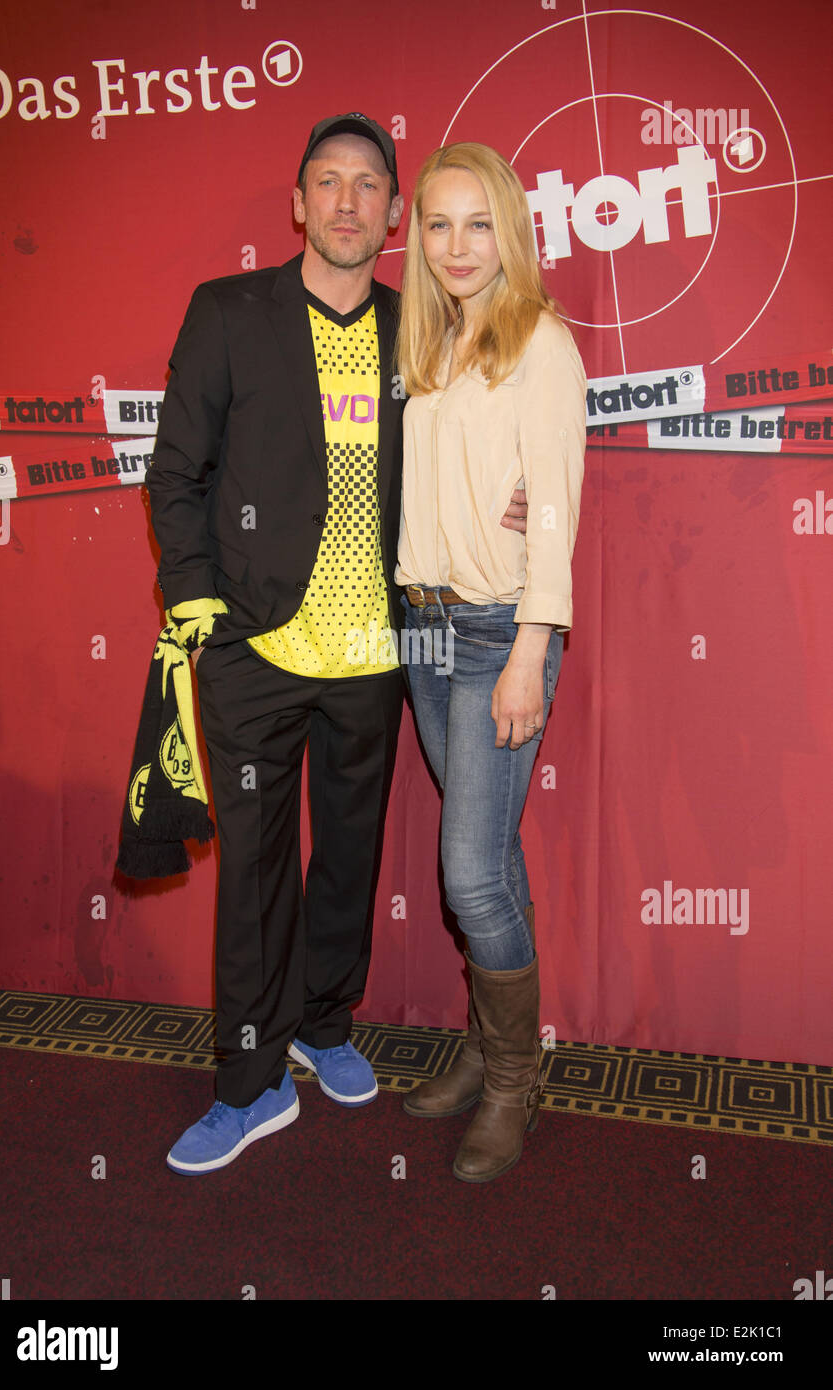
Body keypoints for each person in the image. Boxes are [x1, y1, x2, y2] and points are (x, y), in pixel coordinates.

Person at [146, 115, 528, 1175]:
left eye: (369, 186)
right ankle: (248, 1080)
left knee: (349, 857)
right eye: (329, 183)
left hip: (379, 652)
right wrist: (199, 613)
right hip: (255, 652)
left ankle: (321, 1023)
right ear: (299, 203)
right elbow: (174, 474)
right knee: (255, 870)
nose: (350, 203)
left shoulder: (421, 331)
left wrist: (517, 494)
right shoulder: (229, 314)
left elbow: (474, 443)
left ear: (392, 213)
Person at [395, 142, 587, 1183]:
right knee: (487, 859)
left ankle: (513, 1076)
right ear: (416, 236)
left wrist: (529, 646)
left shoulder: (538, 343)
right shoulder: (428, 345)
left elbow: (551, 511)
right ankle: (482, 1047)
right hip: (419, 629)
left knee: (466, 872)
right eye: (437, 224)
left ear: (507, 229)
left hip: (494, 633)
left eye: (477, 223)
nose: (457, 245)